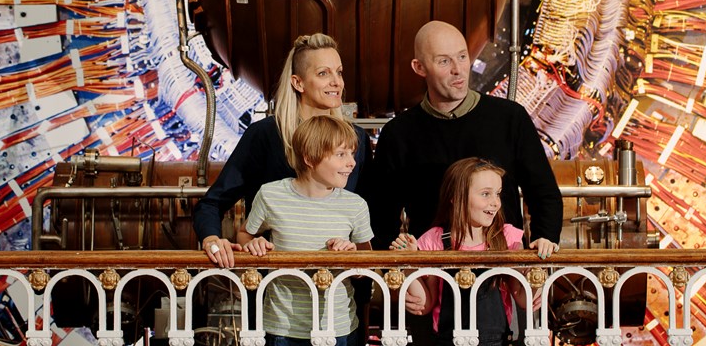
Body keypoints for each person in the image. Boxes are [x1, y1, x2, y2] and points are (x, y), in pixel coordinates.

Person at [368, 20, 563, 257]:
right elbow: (381, 216)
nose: (458, 69)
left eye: (462, 57)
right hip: (432, 271)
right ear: (419, 67)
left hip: (502, 267)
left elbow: (544, 193)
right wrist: (398, 268)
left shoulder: (510, 118)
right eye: (444, 61)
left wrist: (543, 243)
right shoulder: (398, 133)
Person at [195, 33, 372, 267]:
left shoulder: (357, 139)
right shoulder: (265, 135)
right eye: (323, 73)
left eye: (339, 72)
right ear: (298, 83)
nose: (337, 82)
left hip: (337, 282)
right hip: (274, 280)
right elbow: (212, 203)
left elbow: (368, 215)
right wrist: (212, 241)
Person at [239, 115, 373, 346]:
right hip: (281, 327)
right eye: (341, 154)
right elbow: (244, 234)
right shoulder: (270, 195)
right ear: (310, 158)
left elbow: (367, 265)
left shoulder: (356, 205)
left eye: (352, 154)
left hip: (338, 326)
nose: (352, 162)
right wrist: (252, 244)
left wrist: (352, 256)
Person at [391, 158, 525, 346]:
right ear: (456, 197)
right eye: (486, 194)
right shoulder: (434, 240)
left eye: (498, 194)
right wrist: (409, 262)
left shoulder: (508, 238)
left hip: (497, 342)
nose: (495, 202)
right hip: (447, 341)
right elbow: (423, 304)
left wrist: (541, 256)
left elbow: (524, 298)